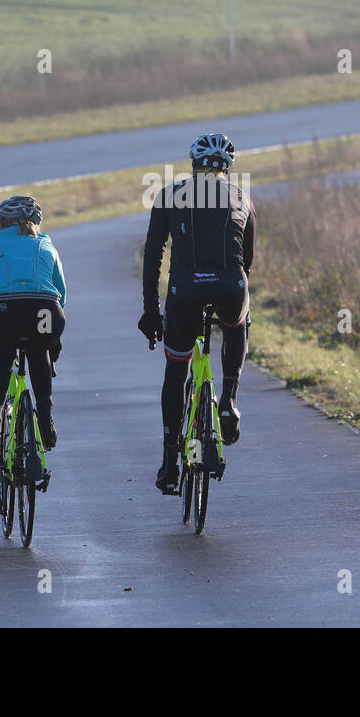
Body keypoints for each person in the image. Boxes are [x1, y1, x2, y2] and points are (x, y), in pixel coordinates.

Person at [138, 133, 255, 495]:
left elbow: (152, 258)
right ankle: (230, 400)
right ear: (227, 168)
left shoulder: (169, 194)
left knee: (176, 369)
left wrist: (150, 312)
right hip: (230, 286)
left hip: (184, 290)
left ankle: (170, 461)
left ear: (194, 164)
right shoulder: (243, 198)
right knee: (238, 324)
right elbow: (247, 262)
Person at [0, 195, 67, 517]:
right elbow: (60, 291)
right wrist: (53, 337)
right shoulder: (46, 244)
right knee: (38, 346)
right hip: (46, 311)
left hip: (2, 313)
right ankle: (45, 415)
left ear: (0, 223)